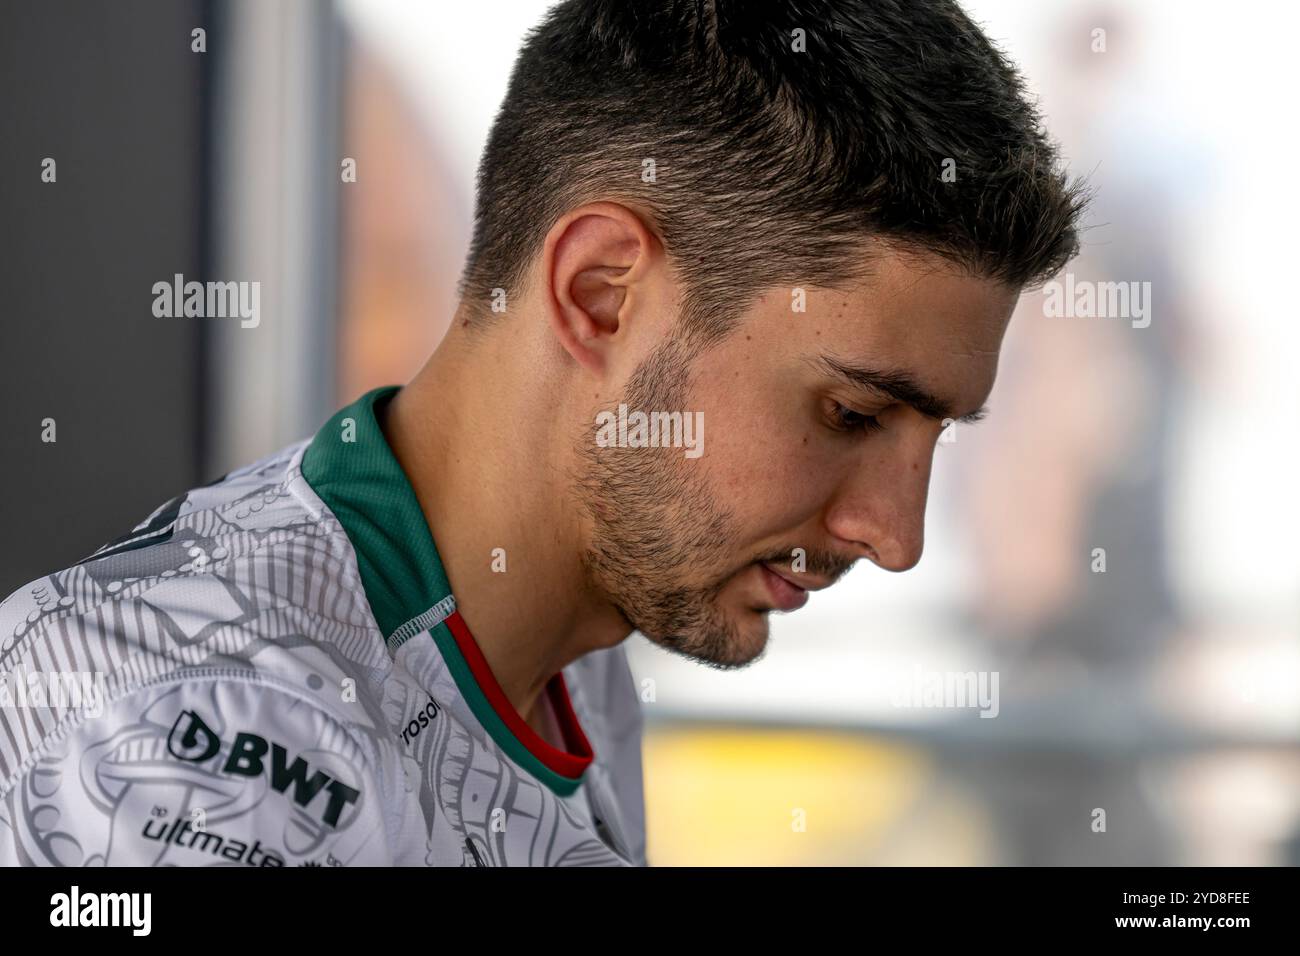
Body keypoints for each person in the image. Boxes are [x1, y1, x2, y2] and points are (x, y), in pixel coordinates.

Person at [0, 0, 1085, 866]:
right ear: (600, 293)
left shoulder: (580, 647)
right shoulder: (183, 726)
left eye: (934, 436)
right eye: (850, 414)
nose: (895, 536)